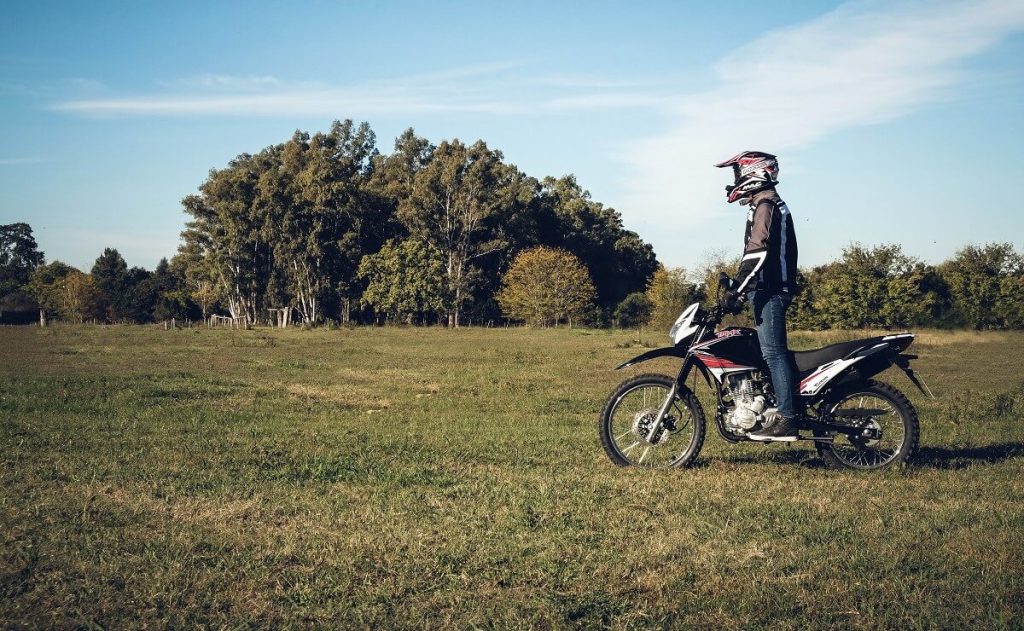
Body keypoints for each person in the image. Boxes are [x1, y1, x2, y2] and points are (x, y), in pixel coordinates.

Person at [716, 151, 801, 441]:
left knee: (773, 353)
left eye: (738, 173)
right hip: (765, 291)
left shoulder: (766, 205)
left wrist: (737, 289)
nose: (735, 180)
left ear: (754, 173)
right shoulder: (762, 204)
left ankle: (788, 417)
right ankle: (769, 404)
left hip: (772, 291)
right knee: (765, 352)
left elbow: (758, 251)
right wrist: (738, 288)